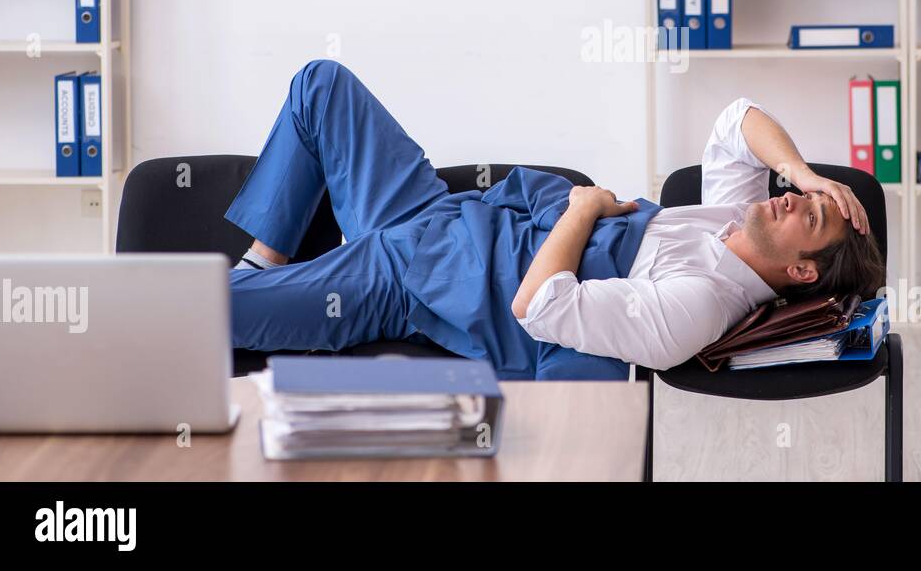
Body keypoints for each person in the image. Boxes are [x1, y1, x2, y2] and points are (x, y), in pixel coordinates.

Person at [226, 60, 884, 380]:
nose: (792, 200)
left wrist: (585, 205)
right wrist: (806, 172)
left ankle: (260, 294)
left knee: (201, 307)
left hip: (424, 277)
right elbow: (735, 118)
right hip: (438, 211)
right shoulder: (729, 218)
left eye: (811, 215)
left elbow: (541, 303)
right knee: (322, 85)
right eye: (805, 194)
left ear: (800, 268)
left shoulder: (701, 302)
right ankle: (267, 265)